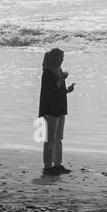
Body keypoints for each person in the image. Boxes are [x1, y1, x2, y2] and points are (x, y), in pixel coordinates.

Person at [39, 48, 75, 176]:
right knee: (49, 140)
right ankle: (48, 167)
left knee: (58, 138)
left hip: (60, 108)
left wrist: (67, 90)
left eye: (62, 58)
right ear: (54, 58)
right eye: (60, 58)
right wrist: (61, 79)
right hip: (50, 109)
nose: (62, 60)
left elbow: (59, 90)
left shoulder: (58, 71)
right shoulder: (47, 72)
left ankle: (57, 164)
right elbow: (50, 91)